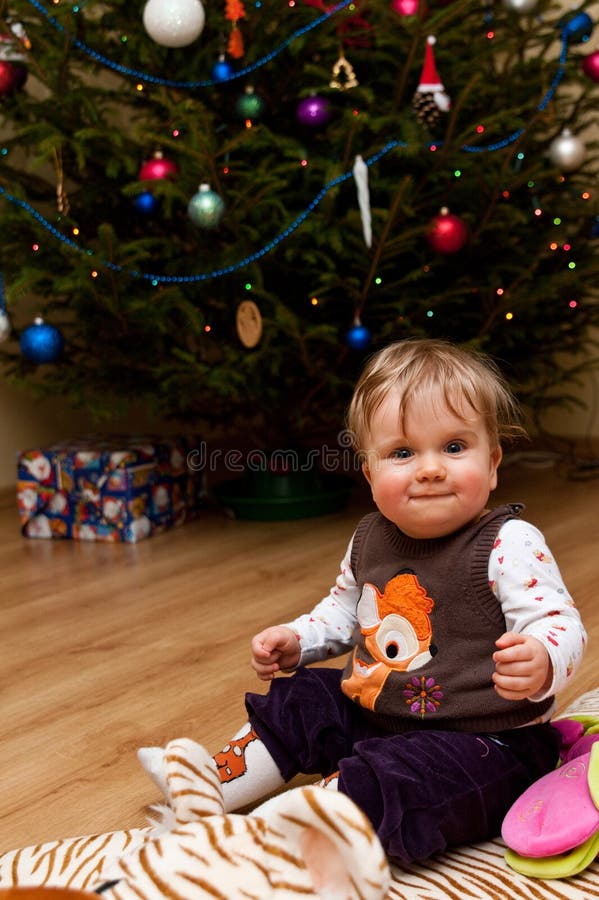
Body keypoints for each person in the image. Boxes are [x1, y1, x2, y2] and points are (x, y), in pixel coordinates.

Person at [143, 338, 587, 864]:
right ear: (369, 470)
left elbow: (559, 621)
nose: (429, 468)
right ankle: (211, 785)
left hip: (487, 743)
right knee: (304, 697)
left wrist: (542, 657)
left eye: (453, 447)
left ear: (492, 464)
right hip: (382, 709)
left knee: (405, 780)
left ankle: (289, 834)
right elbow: (344, 612)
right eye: (402, 453)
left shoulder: (508, 544)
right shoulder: (371, 538)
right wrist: (298, 640)